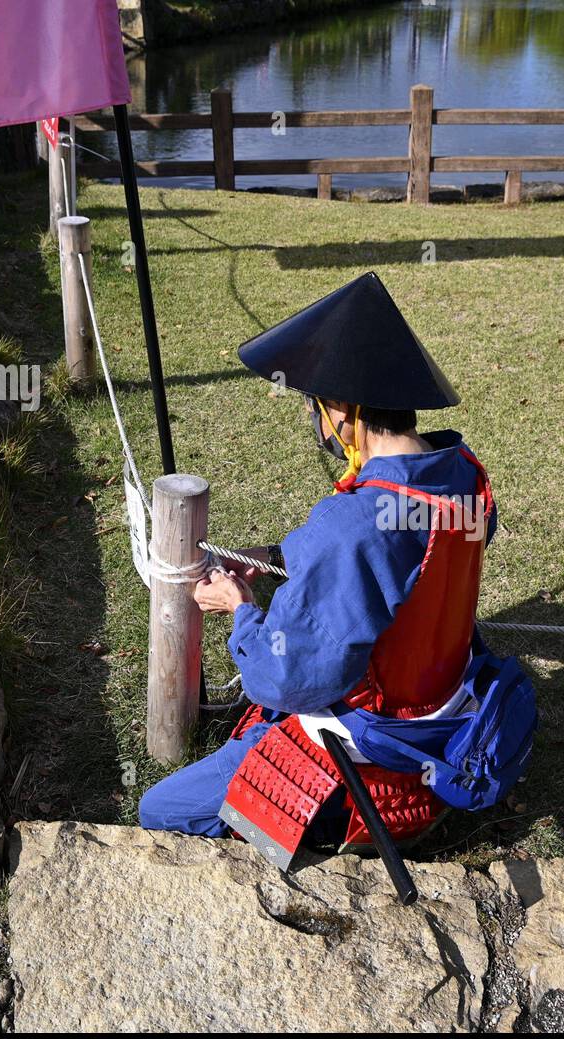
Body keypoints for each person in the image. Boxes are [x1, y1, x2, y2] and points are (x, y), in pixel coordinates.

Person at [139, 272, 535, 866]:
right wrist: (272, 560)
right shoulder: (462, 475)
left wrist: (242, 612)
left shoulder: (351, 524)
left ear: (344, 411)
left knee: (160, 811)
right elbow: (395, 553)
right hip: (447, 703)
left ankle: (331, 821)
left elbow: (286, 677)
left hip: (376, 733)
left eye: (316, 405)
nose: (315, 419)